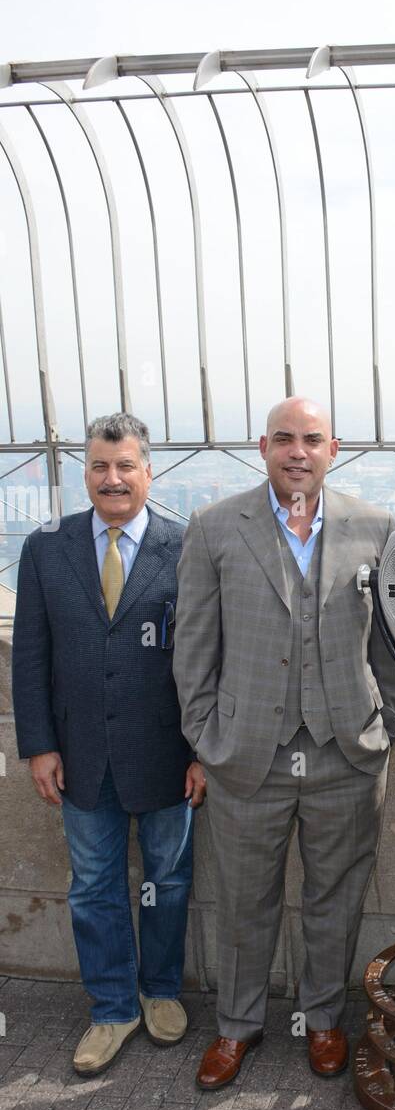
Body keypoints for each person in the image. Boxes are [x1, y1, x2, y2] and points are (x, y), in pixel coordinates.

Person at [174, 396, 395, 1090]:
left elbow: (388, 643)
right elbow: (192, 645)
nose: (297, 451)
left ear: (334, 448)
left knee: (334, 896)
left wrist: (385, 721)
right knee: (246, 899)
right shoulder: (215, 527)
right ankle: (236, 1027)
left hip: (345, 751)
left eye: (311, 439)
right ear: (263, 447)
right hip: (248, 754)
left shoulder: (374, 525)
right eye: (284, 439)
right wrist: (207, 736)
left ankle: (325, 1018)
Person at [12, 412, 204, 1076]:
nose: (112, 478)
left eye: (126, 466)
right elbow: (30, 652)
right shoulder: (46, 547)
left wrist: (204, 750)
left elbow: (210, 658)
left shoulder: (188, 548)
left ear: (148, 472)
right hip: (80, 755)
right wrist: (38, 744)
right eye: (99, 466)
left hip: (168, 756)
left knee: (169, 879)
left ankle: (161, 993)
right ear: (85, 473)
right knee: (93, 886)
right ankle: (113, 1007)